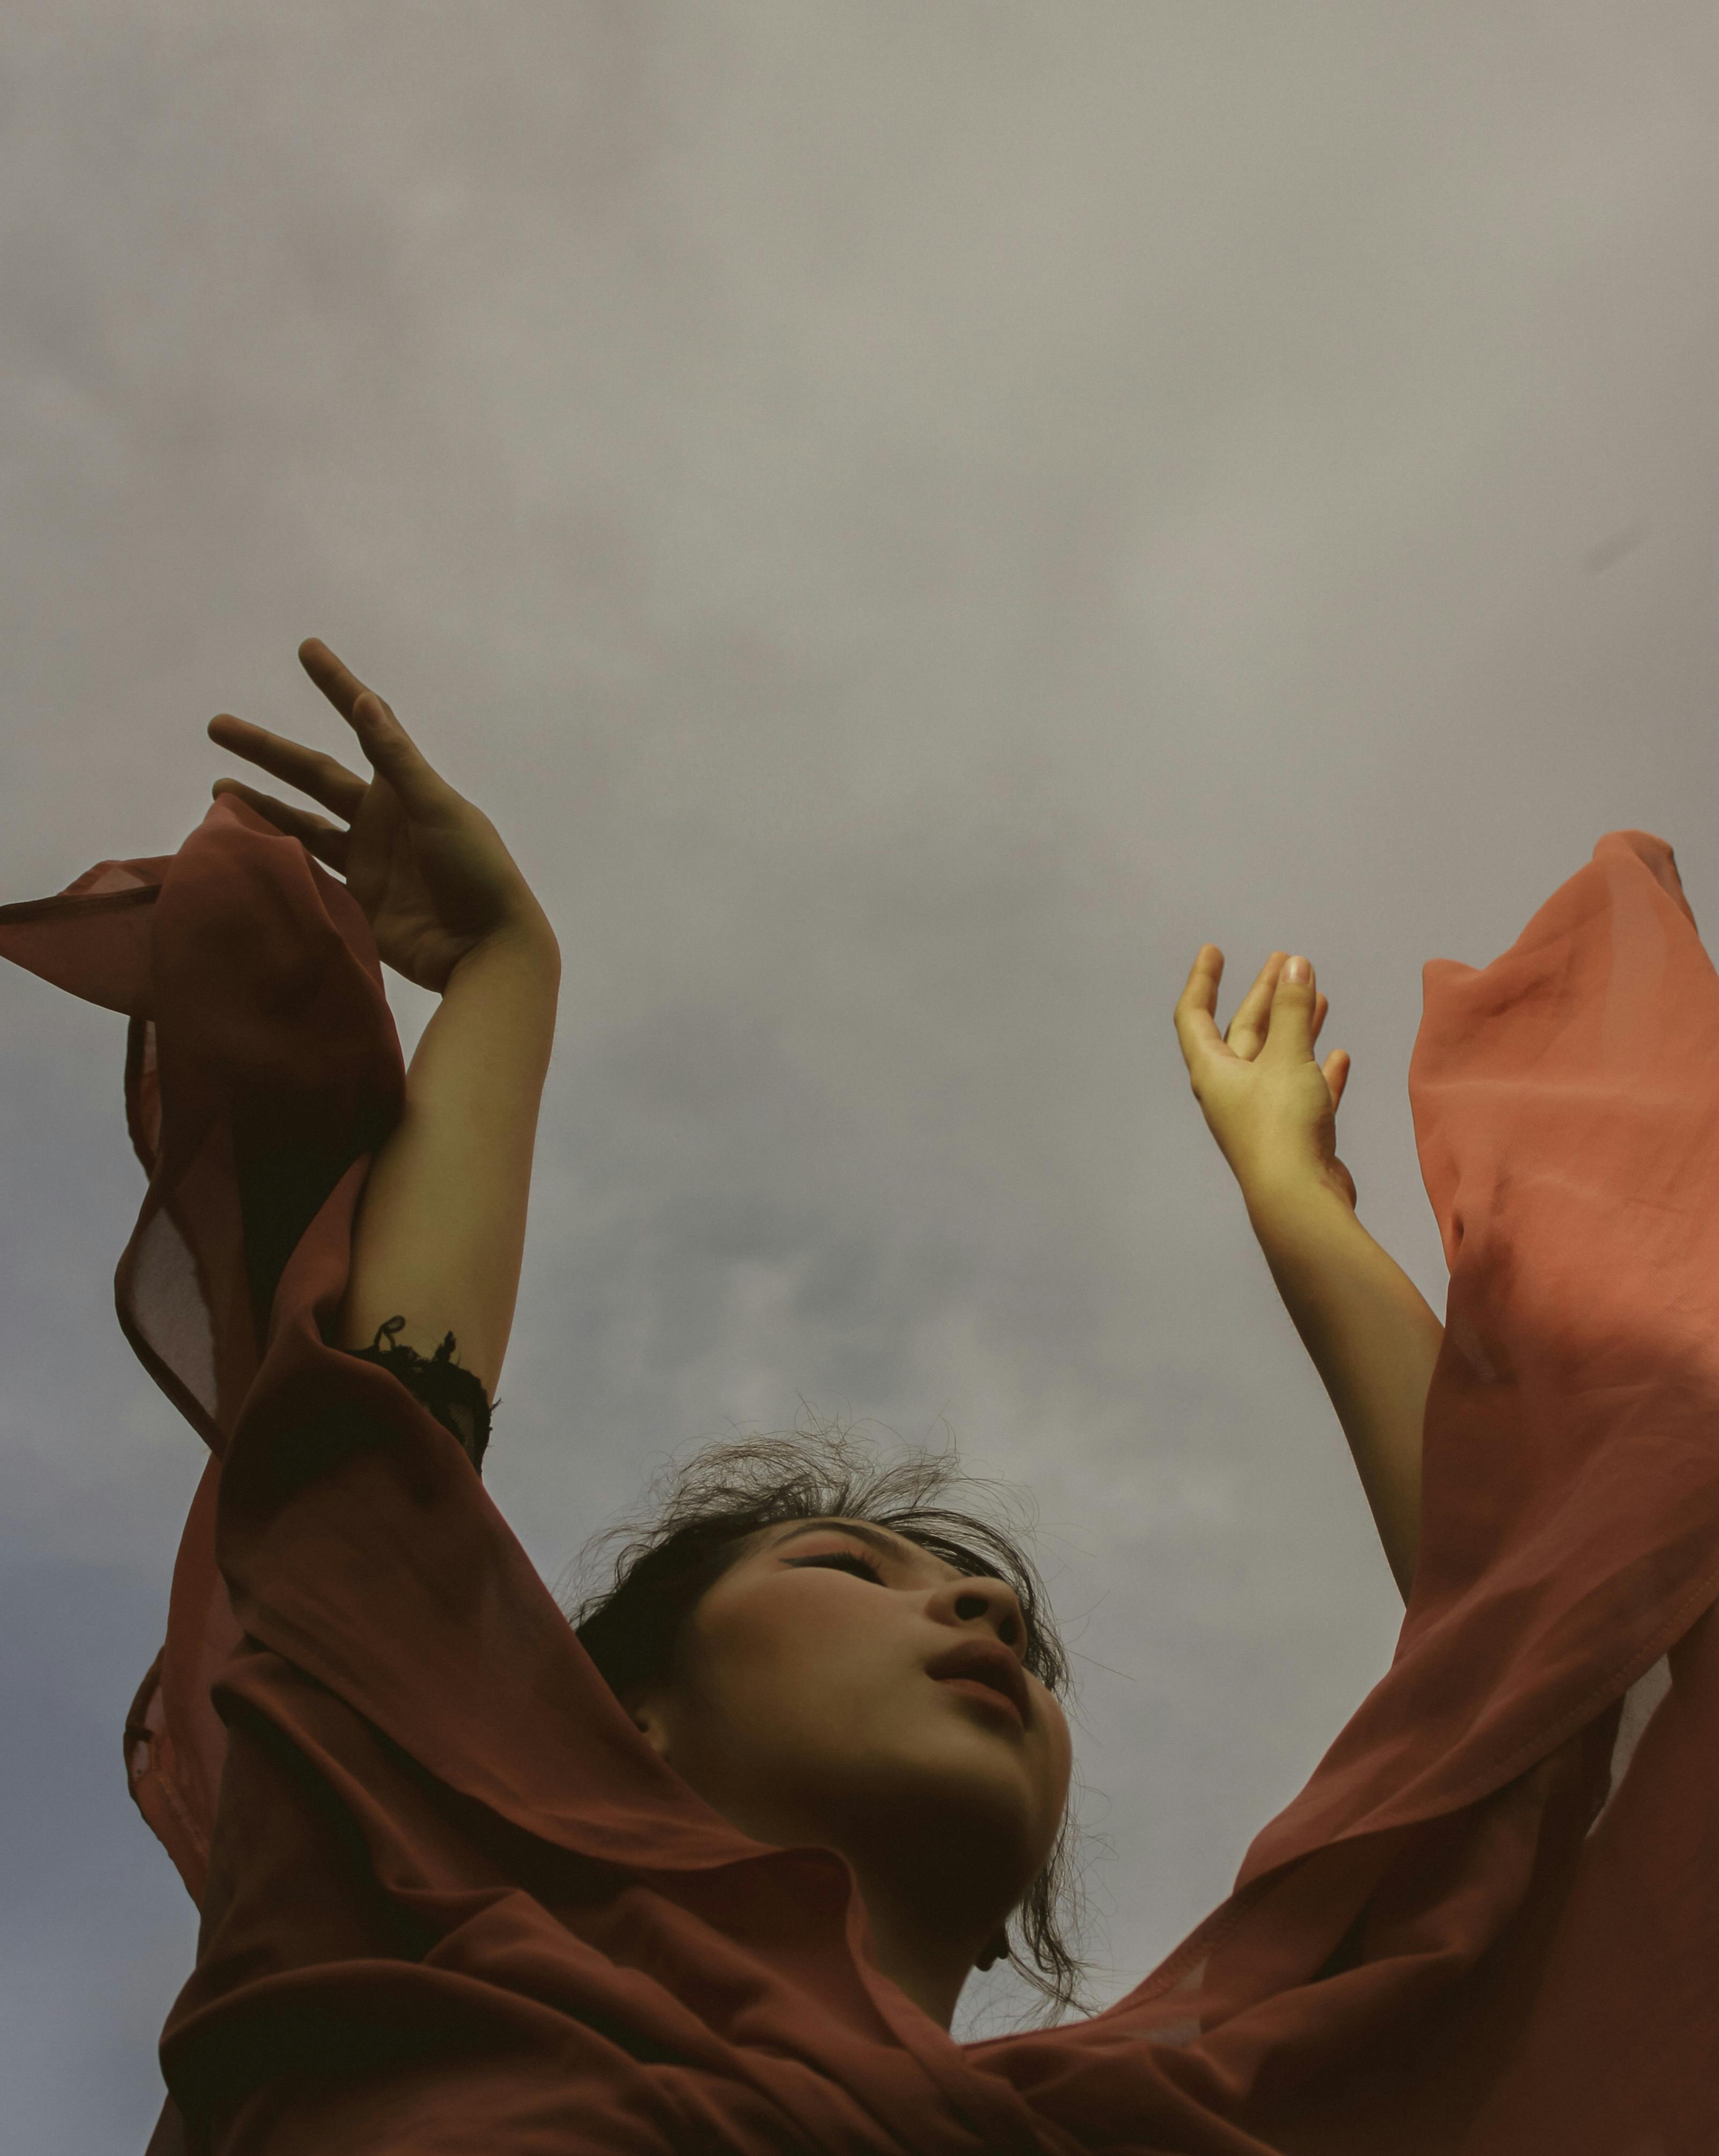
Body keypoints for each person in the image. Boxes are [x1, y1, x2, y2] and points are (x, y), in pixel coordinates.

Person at [2, 642, 1714, 2153]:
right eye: (845, 1571)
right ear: (624, 1720)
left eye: (1020, 1641)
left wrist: (1298, 1201)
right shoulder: (407, 1918)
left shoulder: (1217, 2106)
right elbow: (378, 1441)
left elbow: (1563, 1647)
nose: (978, 1604)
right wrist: (509, 973)